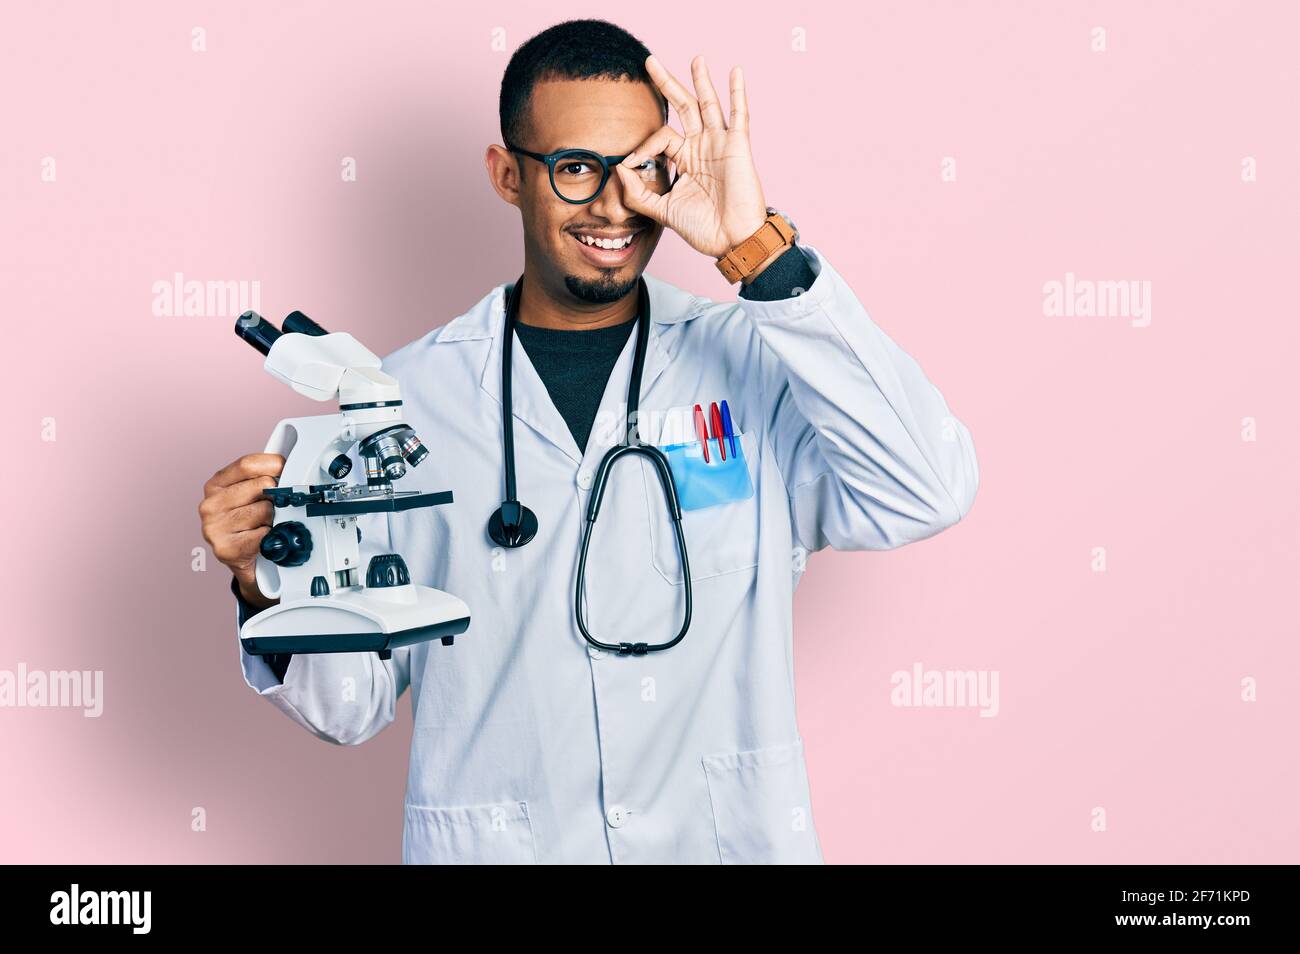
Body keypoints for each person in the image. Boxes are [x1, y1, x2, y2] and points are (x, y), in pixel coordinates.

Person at [198, 18, 979, 864]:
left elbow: (927, 488)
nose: (613, 206)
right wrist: (263, 583)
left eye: (640, 169)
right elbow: (346, 709)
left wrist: (759, 253)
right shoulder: (403, 403)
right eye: (575, 168)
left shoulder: (759, 361)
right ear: (507, 175)